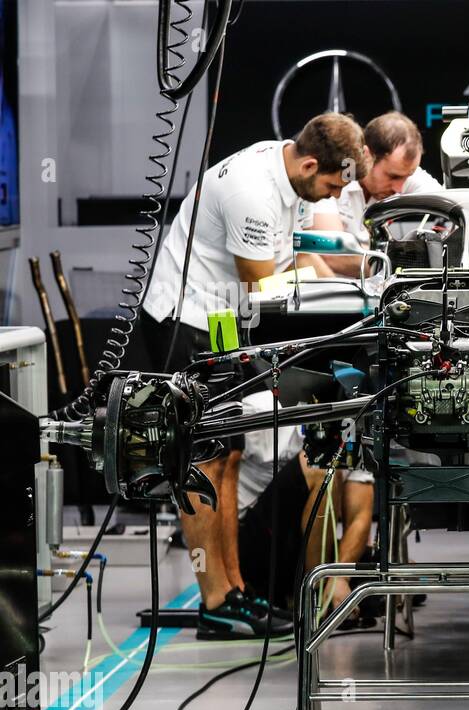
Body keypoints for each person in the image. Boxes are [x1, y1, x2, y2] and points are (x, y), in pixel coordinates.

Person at [140, 113, 370, 635]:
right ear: (309, 165)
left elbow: (290, 266)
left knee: (230, 456)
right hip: (187, 320)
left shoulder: (290, 170)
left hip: (222, 320)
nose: (334, 196)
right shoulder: (252, 193)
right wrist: (315, 275)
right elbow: (262, 287)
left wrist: (333, 276)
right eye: (333, 186)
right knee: (203, 463)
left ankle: (236, 590)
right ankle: (215, 600)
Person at [232, 390, 375, 624]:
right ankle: (314, 592)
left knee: (380, 571)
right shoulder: (258, 411)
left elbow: (360, 516)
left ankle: (319, 586)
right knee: (321, 466)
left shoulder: (352, 425)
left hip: (304, 548)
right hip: (254, 546)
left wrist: (340, 578)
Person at [311, 111, 441, 275]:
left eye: (407, 177)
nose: (399, 189)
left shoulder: (401, 171)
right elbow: (333, 254)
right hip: (328, 285)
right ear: (366, 155)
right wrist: (401, 261)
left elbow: (451, 204)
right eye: (393, 176)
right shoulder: (333, 174)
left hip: (376, 285)